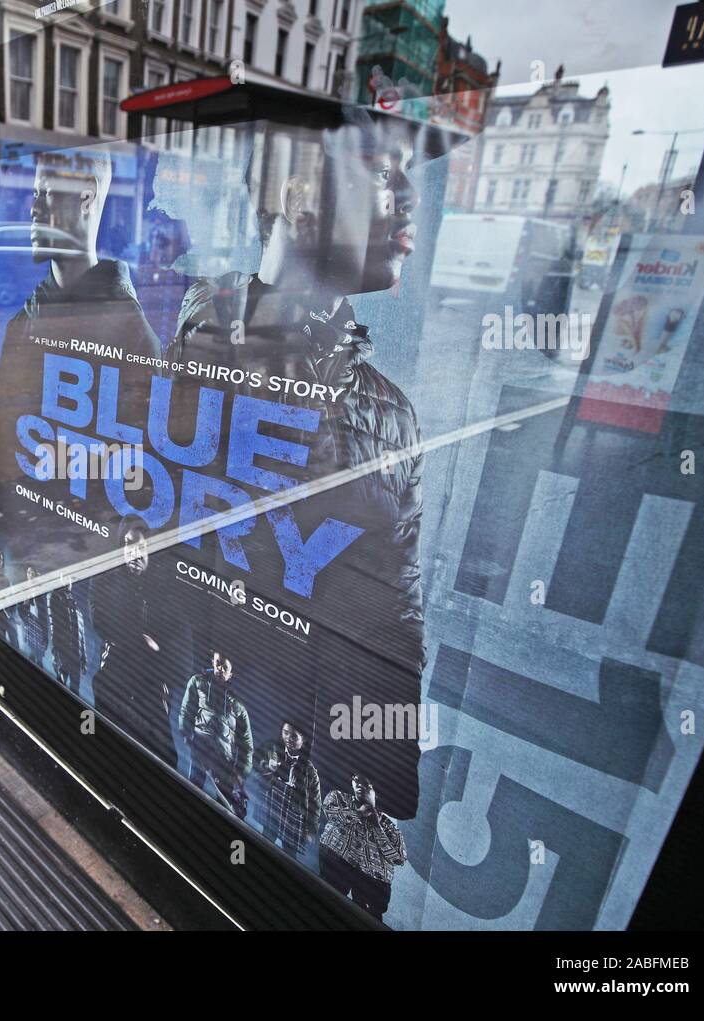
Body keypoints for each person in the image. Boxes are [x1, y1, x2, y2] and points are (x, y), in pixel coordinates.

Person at [168, 107, 440, 821]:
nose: (409, 199)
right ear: (299, 192)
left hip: (313, 782)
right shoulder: (202, 343)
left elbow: (391, 613)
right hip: (205, 732)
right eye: (384, 174)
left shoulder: (391, 412)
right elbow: (150, 525)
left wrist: (372, 791)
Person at [0, 149, 162, 574]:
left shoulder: (131, 334)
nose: (31, 208)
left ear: (86, 198)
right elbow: (5, 453)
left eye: (44, 193)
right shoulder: (24, 323)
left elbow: (144, 475)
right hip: (30, 554)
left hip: (90, 561)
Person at [89, 518, 186, 770]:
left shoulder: (165, 590)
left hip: (152, 684)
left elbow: (177, 641)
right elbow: (101, 621)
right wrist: (141, 640)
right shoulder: (104, 580)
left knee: (161, 758)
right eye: (129, 544)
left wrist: (158, 655)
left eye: (143, 547)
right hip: (115, 676)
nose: (136, 553)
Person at [318, 774, 407, 922]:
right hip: (335, 868)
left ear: (377, 792)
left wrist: (377, 827)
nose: (360, 785)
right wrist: (358, 813)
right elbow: (328, 811)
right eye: (356, 780)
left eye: (367, 784)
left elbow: (399, 858)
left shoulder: (389, 826)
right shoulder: (339, 797)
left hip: (372, 885)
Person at [179, 649, 254, 817]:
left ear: (231, 673)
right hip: (199, 746)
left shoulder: (238, 707)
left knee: (225, 805)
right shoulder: (197, 682)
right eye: (217, 663)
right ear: (213, 662)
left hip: (223, 760)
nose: (219, 669)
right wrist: (186, 733)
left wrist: (242, 772)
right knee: (193, 788)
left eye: (224, 667)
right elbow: (187, 710)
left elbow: (247, 745)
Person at [254, 719, 322, 861]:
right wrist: (266, 766)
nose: (288, 738)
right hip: (273, 800)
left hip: (294, 810)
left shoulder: (310, 771)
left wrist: (311, 829)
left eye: (294, 736)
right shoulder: (271, 748)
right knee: (266, 838)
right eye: (285, 733)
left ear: (304, 740)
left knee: (289, 853)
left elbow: (315, 802)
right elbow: (255, 759)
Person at [48, 577, 87, 696]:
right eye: (65, 580)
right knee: (61, 689)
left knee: (75, 692)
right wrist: (56, 653)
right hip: (64, 655)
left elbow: (82, 635)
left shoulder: (77, 607)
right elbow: (54, 626)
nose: (68, 583)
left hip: (76, 657)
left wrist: (84, 659)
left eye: (70, 580)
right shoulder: (55, 598)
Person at [16, 565, 49, 666]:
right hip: (29, 626)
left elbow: (44, 615)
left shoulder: (40, 593)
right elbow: (20, 610)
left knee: (39, 660)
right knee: (29, 658)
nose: (30, 574)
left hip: (39, 628)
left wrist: (46, 636)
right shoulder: (23, 592)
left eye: (32, 572)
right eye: (28, 572)